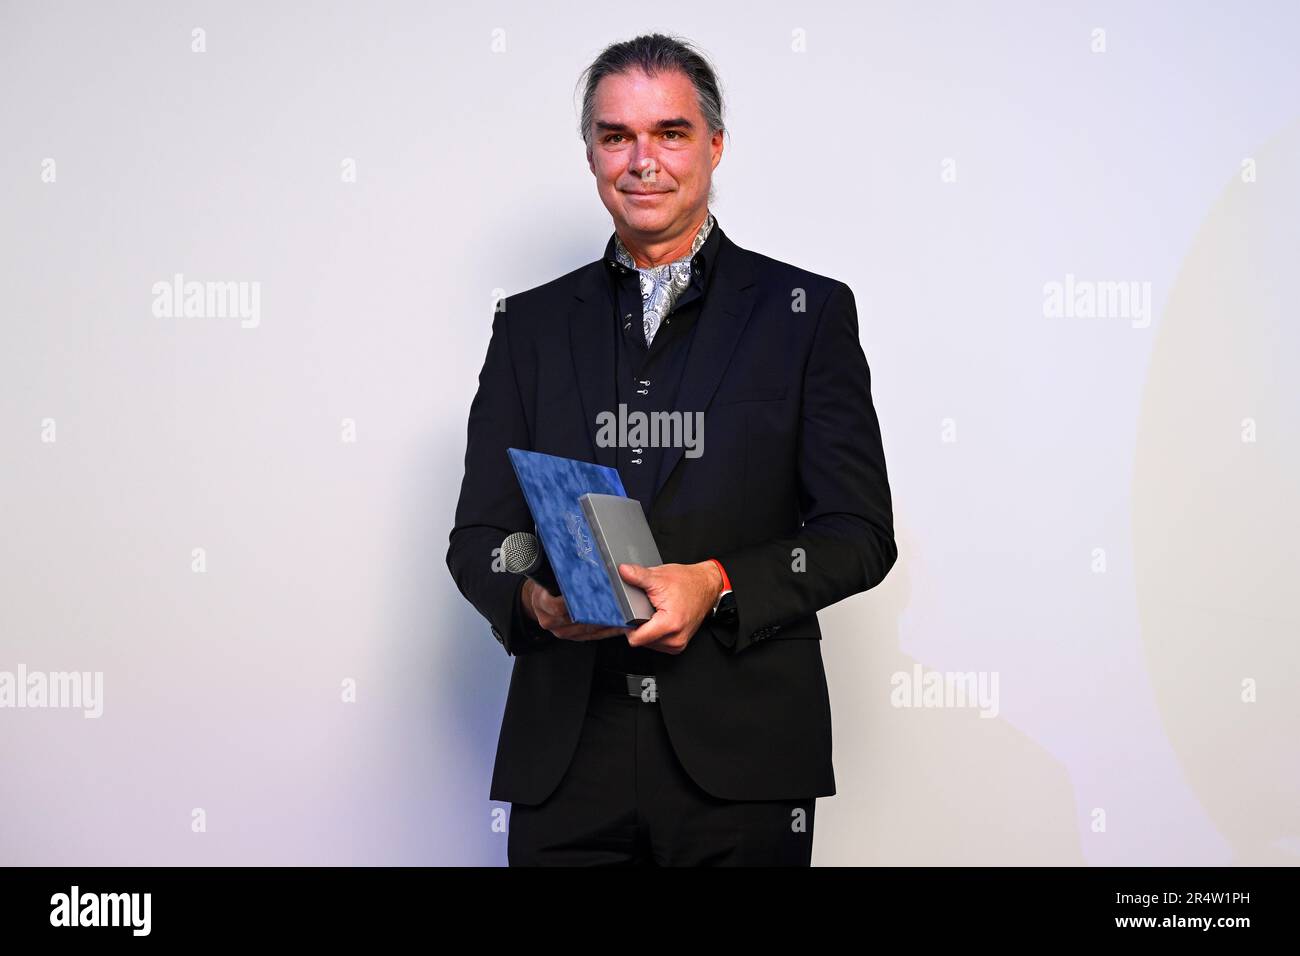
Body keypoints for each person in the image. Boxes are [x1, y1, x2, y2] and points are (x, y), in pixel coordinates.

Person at [446, 33, 896, 865]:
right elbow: (479, 541)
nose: (642, 160)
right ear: (591, 155)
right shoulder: (530, 327)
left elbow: (858, 534)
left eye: (670, 133)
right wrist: (533, 605)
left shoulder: (808, 314)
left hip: (743, 762)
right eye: (617, 136)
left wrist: (717, 583)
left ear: (715, 145)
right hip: (566, 760)